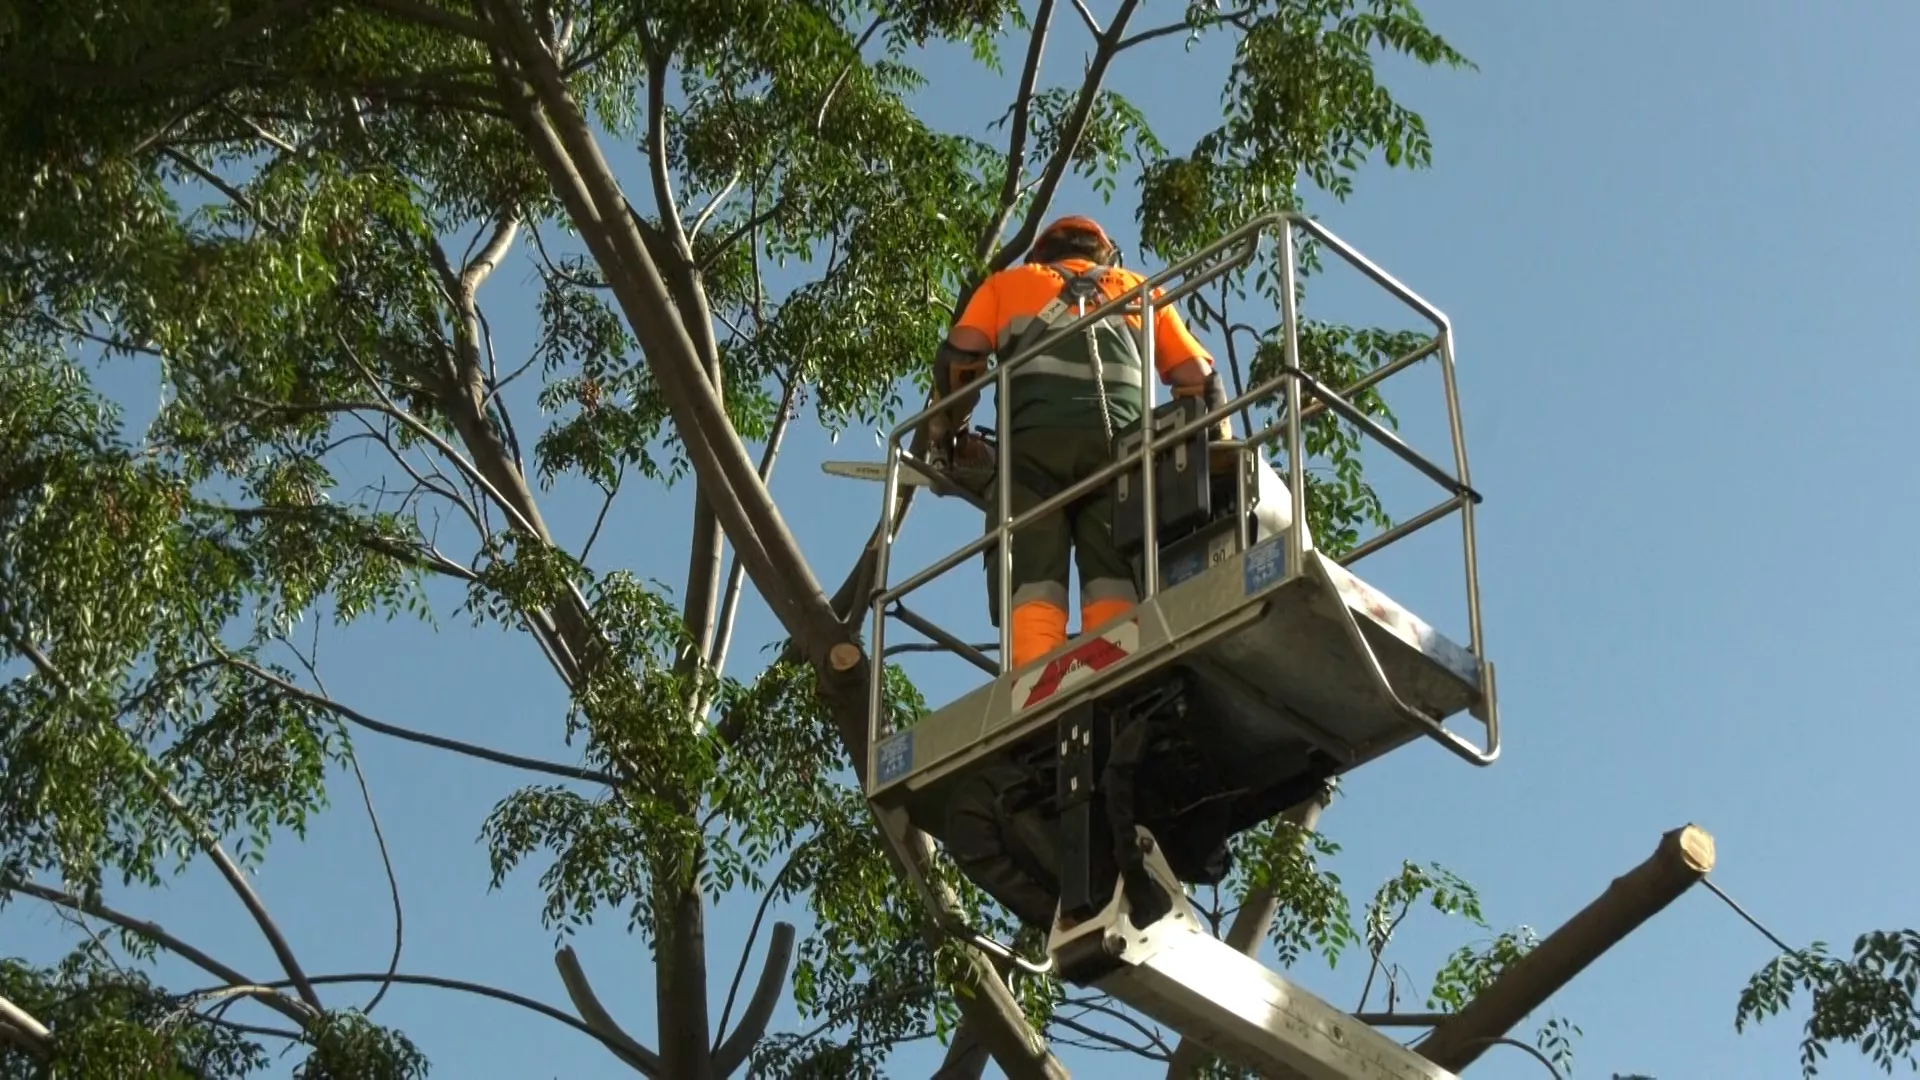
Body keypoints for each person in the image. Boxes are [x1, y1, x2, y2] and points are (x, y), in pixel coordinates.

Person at [926, 215, 1232, 670]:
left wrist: (951, 437)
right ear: (1104, 252)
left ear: (1042, 252)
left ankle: (1032, 685)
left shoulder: (1007, 285)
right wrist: (1212, 453)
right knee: (1114, 576)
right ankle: (1111, 668)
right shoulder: (1138, 289)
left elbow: (960, 360)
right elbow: (1199, 382)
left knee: (1031, 583)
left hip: (1031, 457)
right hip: (1121, 459)